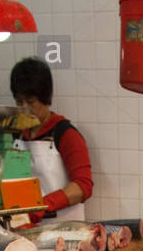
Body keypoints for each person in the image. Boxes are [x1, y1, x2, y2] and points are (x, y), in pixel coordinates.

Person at [10, 57, 93, 223]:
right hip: (26, 226)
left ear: (45, 98)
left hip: (66, 229)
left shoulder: (66, 134)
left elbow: (83, 186)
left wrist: (44, 205)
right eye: (19, 101)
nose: (25, 108)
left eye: (31, 102)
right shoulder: (15, 134)